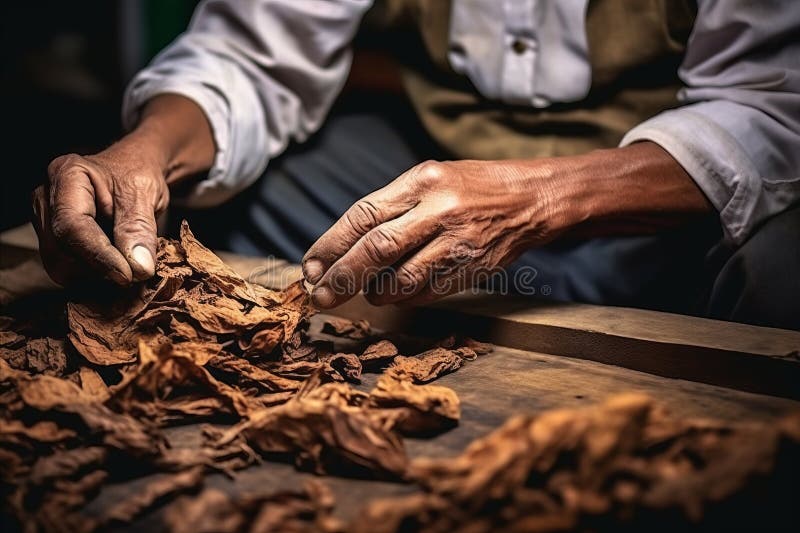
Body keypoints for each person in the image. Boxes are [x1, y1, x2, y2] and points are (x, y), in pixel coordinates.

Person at [32, 0, 800, 329]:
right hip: (437, 159)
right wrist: (146, 152)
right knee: (242, 195)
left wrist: (536, 198)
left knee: (782, 268)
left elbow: (772, 108)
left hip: (665, 193)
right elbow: (253, 58)